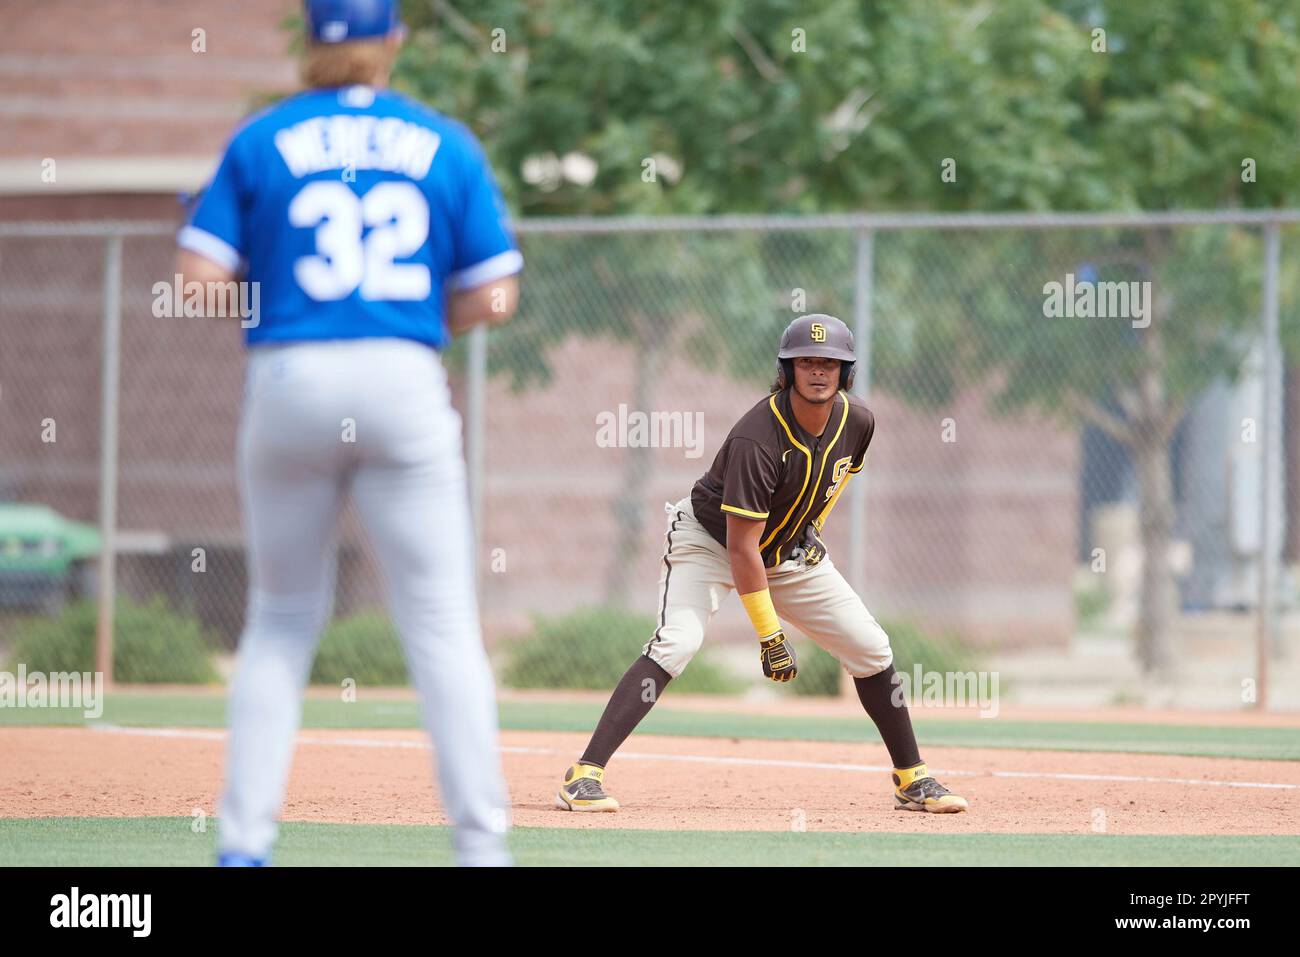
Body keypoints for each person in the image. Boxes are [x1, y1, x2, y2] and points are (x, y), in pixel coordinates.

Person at [175, 0, 522, 866]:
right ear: (392, 43)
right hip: (403, 376)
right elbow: (493, 293)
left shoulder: (262, 139)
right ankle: (481, 849)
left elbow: (196, 279)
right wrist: (407, 317)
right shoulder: (443, 141)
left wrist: (277, 301)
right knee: (442, 623)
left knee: (282, 620)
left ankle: (244, 845)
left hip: (290, 375)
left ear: (311, 46)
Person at [556, 315, 969, 815]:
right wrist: (770, 636)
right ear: (788, 369)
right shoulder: (759, 437)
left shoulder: (858, 421)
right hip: (711, 543)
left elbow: (834, 480)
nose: (818, 371)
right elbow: (741, 548)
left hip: (785, 552)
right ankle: (585, 773)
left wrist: (808, 529)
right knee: (676, 643)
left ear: (846, 372)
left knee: (871, 647)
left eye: (830, 363)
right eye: (807, 362)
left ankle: (913, 779)